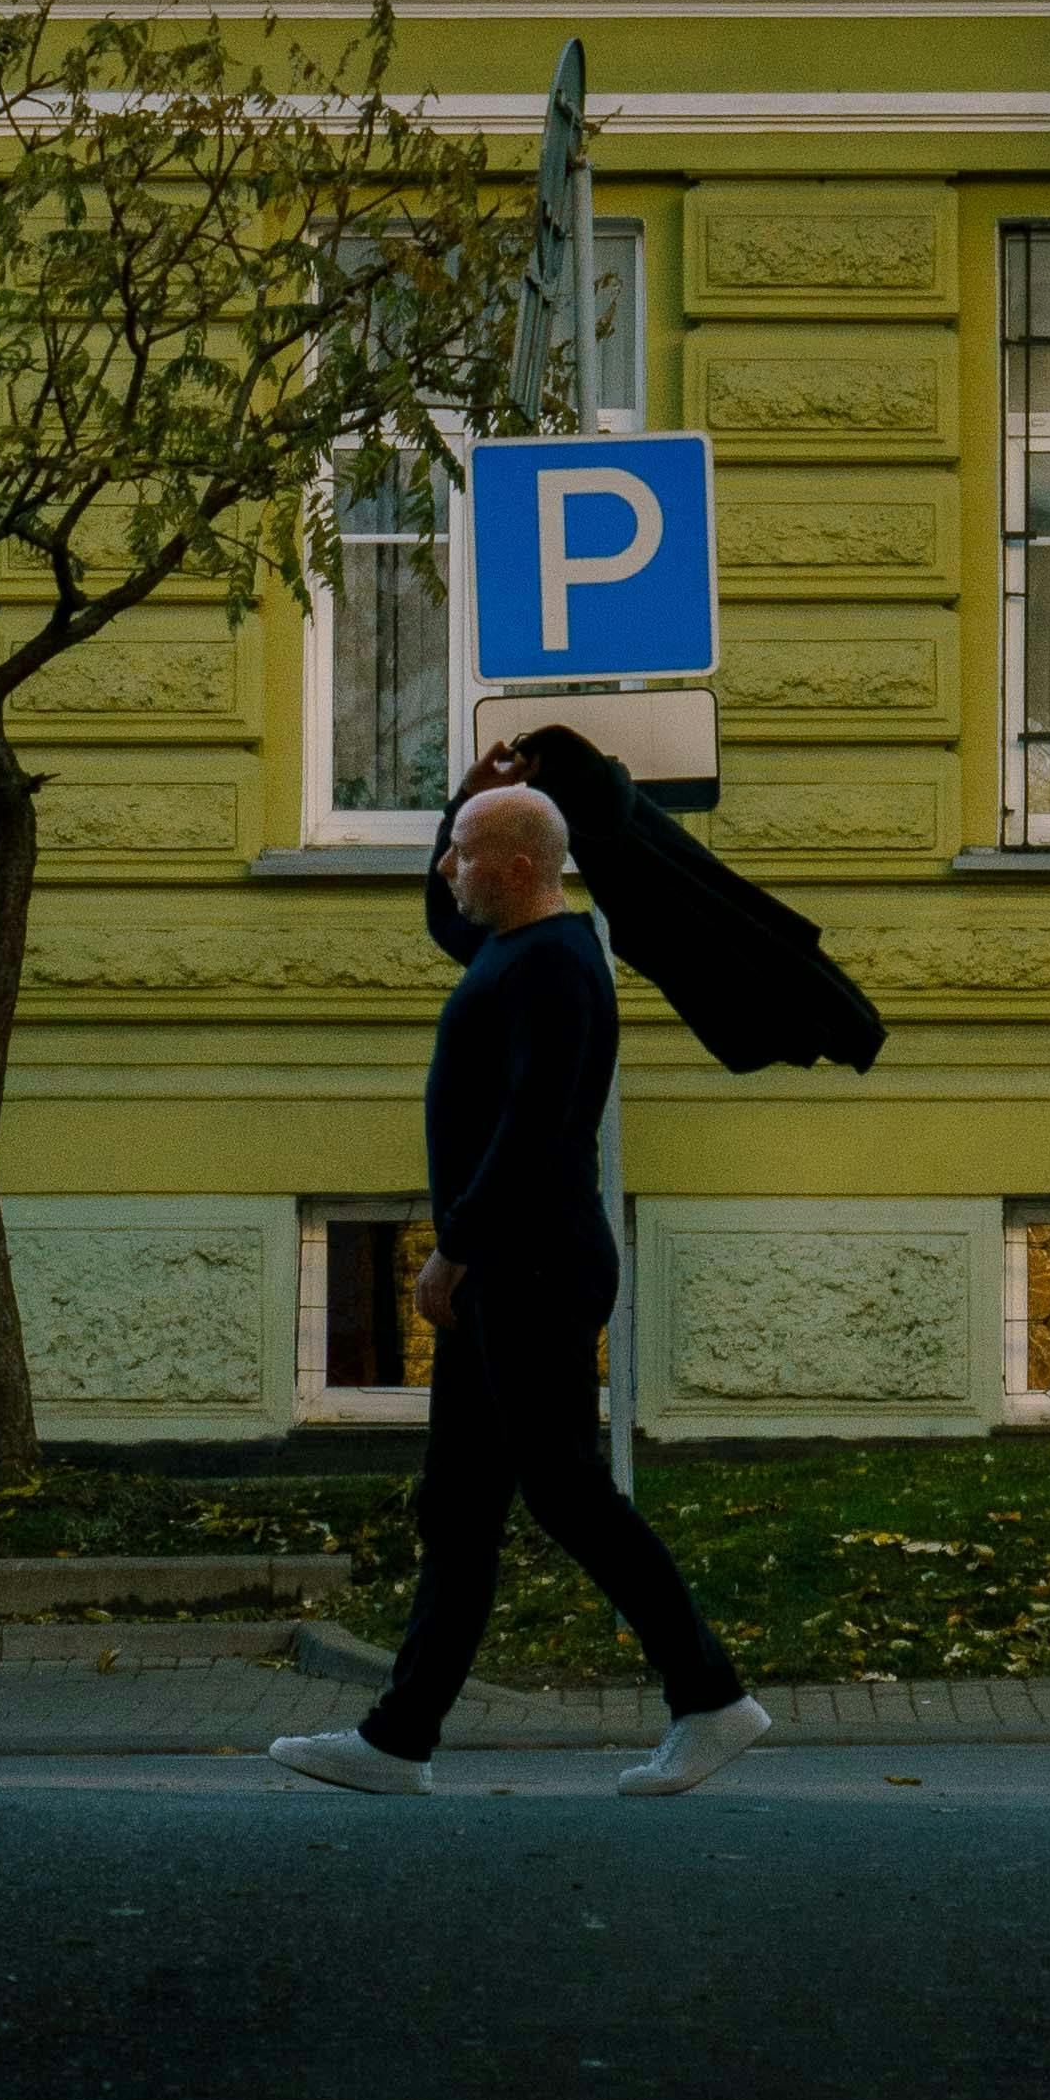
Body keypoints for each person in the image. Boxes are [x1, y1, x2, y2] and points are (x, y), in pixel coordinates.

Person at [269, 760, 770, 1805]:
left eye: (458, 851)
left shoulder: (552, 964)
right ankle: (399, 1738)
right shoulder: (518, 946)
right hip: (505, 1264)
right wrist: (457, 796)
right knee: (459, 1506)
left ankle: (711, 1699)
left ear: (511, 867)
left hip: (530, 1264)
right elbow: (447, 926)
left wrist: (452, 1247)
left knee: (565, 1491)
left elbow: (535, 1127)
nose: (445, 867)